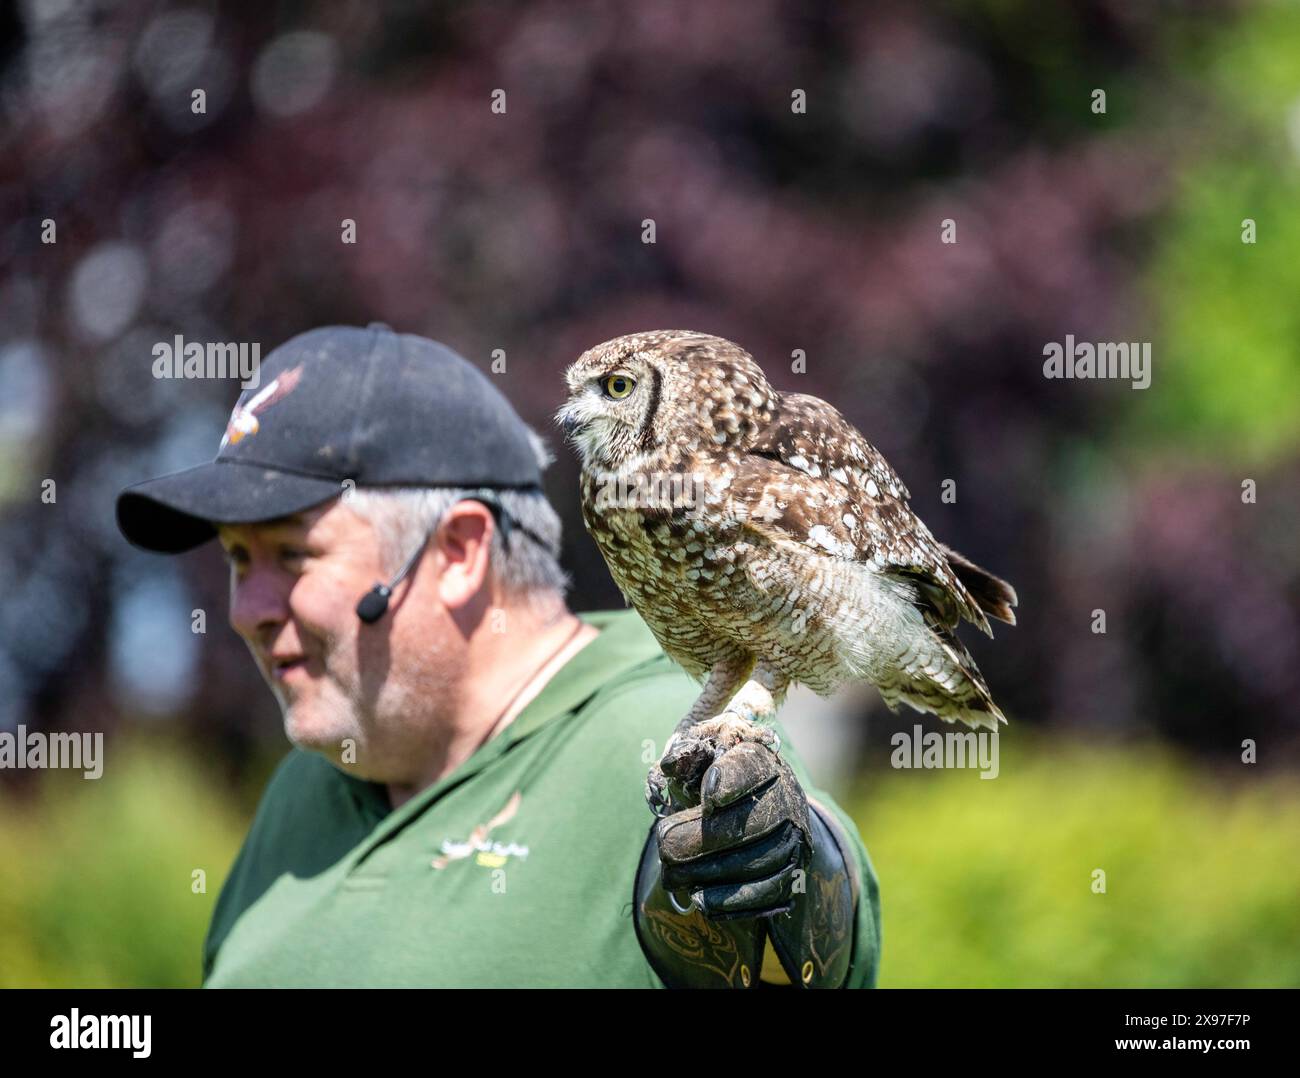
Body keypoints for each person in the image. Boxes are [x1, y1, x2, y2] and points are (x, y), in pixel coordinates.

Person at [114, 323, 882, 988]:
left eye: (292, 553)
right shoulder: (300, 792)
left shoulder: (654, 733)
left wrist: (794, 875)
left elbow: (809, 924)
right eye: (239, 562)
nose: (246, 610)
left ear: (456, 552)